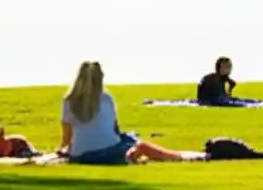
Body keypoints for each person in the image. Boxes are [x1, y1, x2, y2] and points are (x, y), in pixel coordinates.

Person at [60, 61, 189, 164]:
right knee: (139, 144)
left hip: (79, 156)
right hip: (108, 153)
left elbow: (67, 138)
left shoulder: (69, 100)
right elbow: (115, 129)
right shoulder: (105, 98)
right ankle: (177, 157)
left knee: (129, 138)